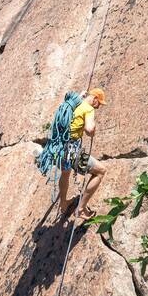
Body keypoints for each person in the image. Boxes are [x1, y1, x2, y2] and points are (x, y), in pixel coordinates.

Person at [58, 88, 106, 218]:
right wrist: (93, 130)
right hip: (70, 151)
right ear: (94, 99)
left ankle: (63, 203)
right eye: (99, 103)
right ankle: (81, 209)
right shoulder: (88, 108)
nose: (99, 107)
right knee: (101, 171)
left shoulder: (74, 103)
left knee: (65, 172)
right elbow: (89, 129)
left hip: (57, 148)